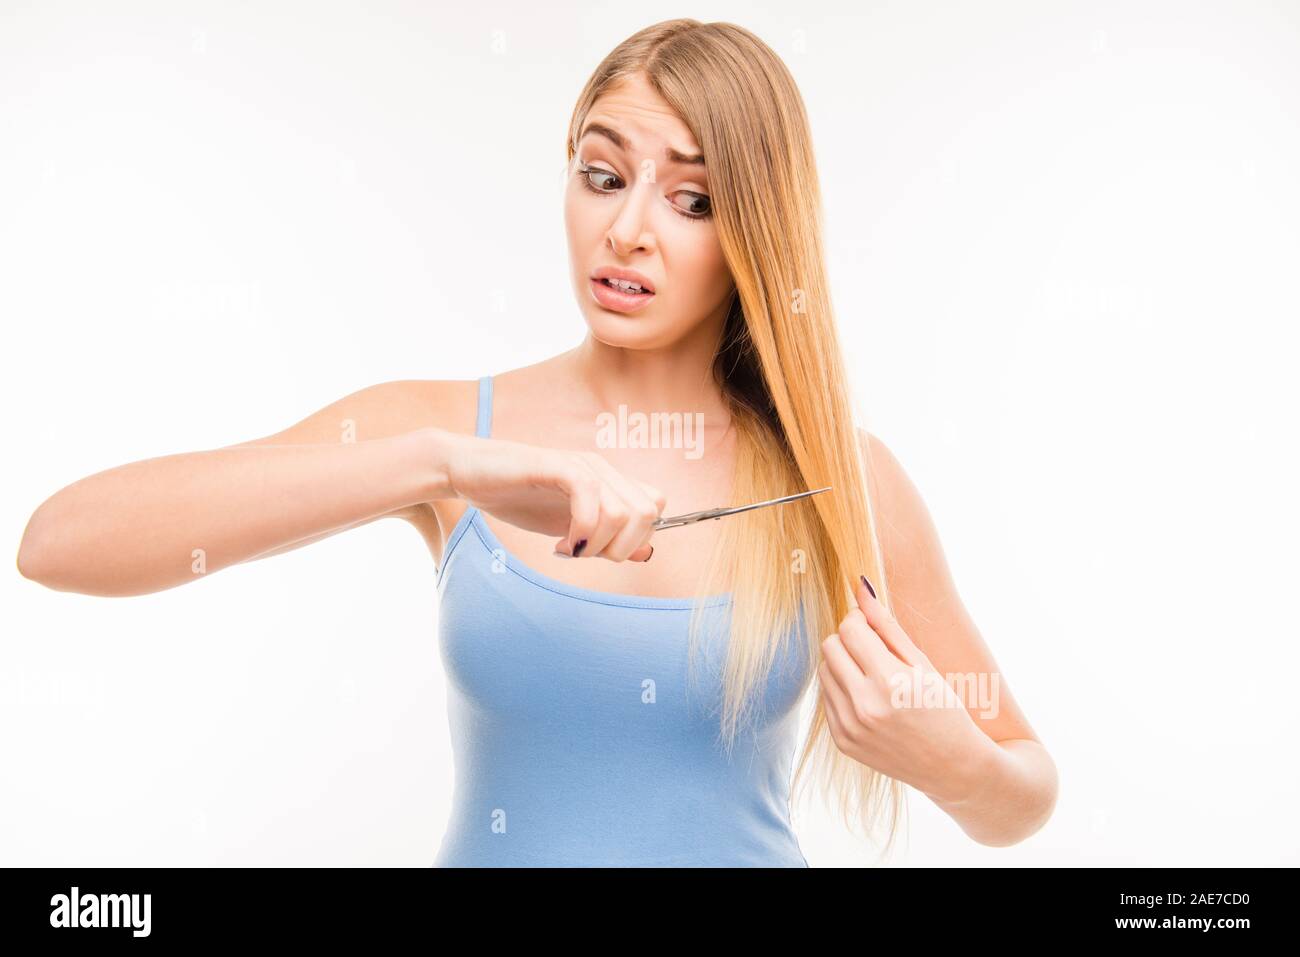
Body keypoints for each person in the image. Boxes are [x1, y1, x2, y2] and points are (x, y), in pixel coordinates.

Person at [16, 19, 1058, 866]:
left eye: (690, 199)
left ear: (755, 234)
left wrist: (949, 758)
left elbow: (1022, 792)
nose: (628, 231)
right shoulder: (441, 431)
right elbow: (59, 543)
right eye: (603, 175)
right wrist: (439, 464)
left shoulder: (835, 478)